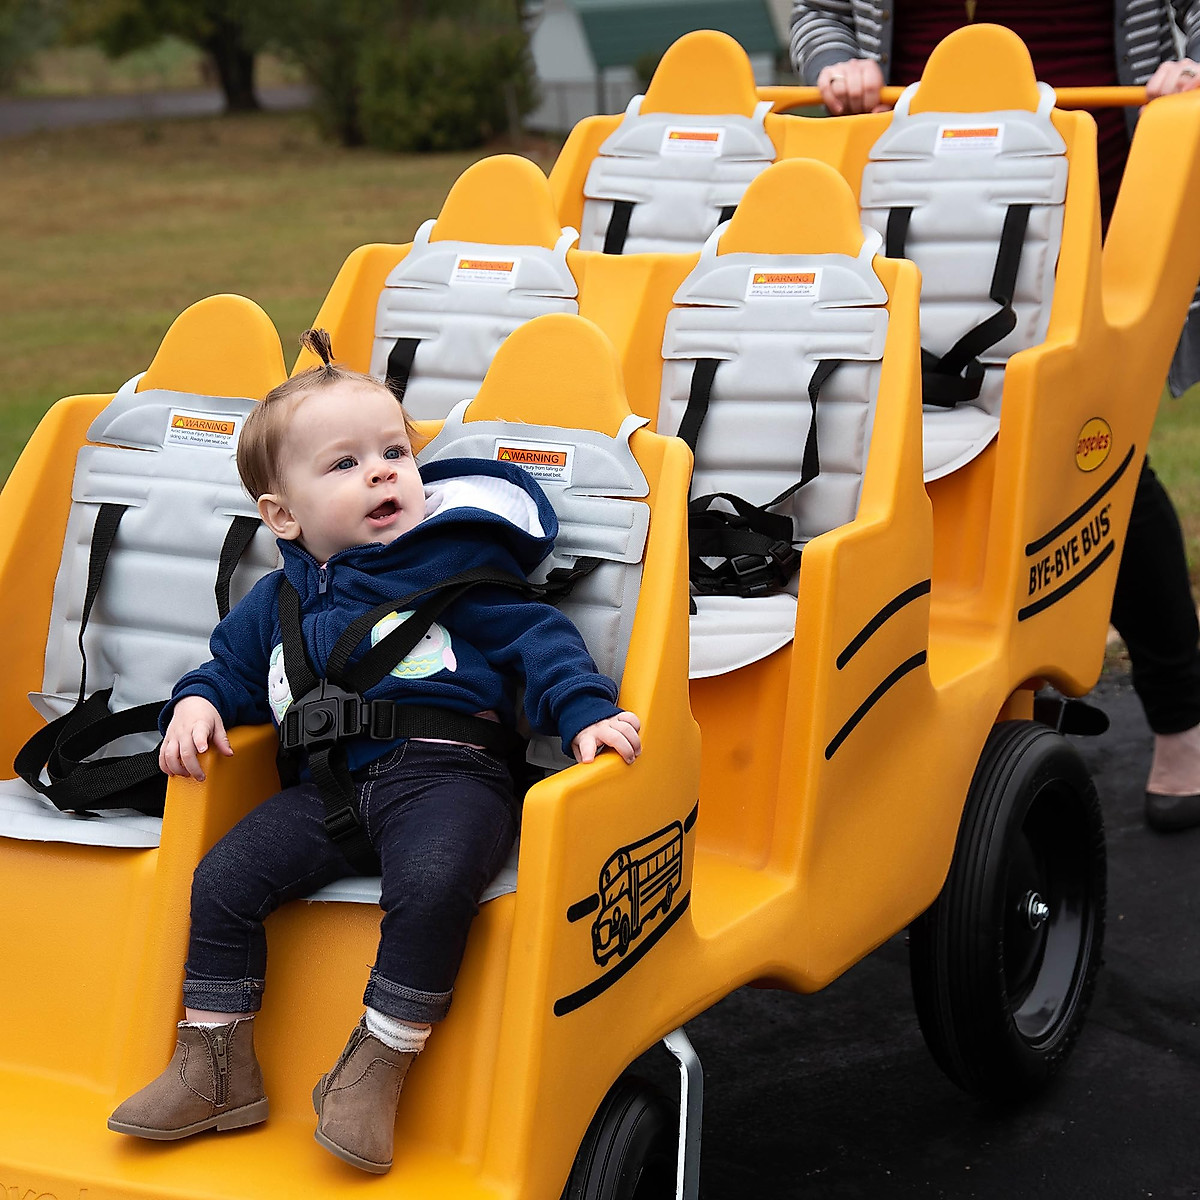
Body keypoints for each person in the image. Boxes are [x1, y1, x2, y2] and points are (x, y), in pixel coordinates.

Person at [107, 329, 642, 1173]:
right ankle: (214, 1065)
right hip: (325, 791)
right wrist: (199, 704)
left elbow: (542, 640)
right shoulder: (274, 600)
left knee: (432, 885)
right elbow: (229, 668)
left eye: (394, 452)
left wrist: (583, 715)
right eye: (345, 465)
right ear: (282, 515)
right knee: (223, 879)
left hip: (448, 777)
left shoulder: (449, 572)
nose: (383, 472)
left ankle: (376, 1065)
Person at [790, 0, 1200, 832]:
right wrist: (838, 59)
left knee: (1089, 446)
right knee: (911, 449)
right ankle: (946, 705)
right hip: (923, 198)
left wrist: (1191, 64)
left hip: (1100, 181)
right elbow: (821, 11)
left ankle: (1180, 719)